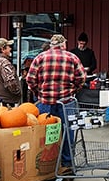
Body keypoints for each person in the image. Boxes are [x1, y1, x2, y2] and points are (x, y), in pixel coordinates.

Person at [26, 34, 86, 167]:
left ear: (51, 45)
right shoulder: (72, 57)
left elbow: (30, 79)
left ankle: (46, 164)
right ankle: (67, 163)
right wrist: (73, 90)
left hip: (45, 103)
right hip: (66, 102)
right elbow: (81, 78)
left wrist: (39, 93)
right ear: (63, 45)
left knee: (45, 134)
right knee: (67, 131)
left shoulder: (40, 58)